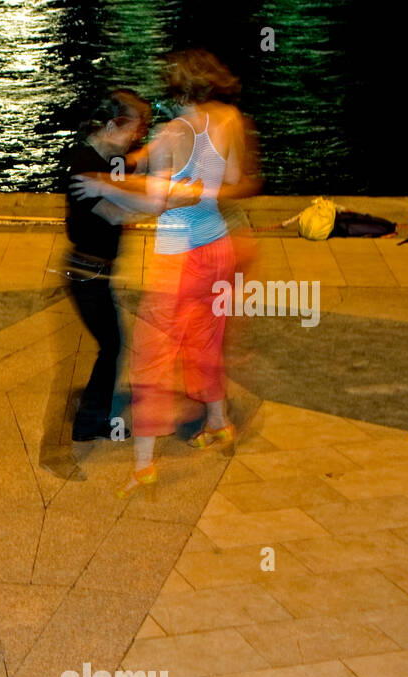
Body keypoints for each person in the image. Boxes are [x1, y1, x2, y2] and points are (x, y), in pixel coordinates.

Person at [71, 51, 259, 497]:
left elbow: (155, 202)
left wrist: (106, 184)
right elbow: (230, 180)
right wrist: (146, 167)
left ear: (176, 91)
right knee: (205, 338)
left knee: (152, 360)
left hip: (181, 258)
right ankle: (219, 423)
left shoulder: (174, 132)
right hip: (220, 248)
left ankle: (143, 466)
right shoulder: (229, 119)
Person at [61, 90, 150, 442]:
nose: (136, 137)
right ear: (113, 125)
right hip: (86, 275)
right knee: (111, 345)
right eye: (134, 129)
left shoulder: (105, 158)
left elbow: (134, 166)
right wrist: (165, 203)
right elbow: (117, 212)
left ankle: (92, 408)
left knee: (110, 344)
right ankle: (88, 423)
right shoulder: (84, 168)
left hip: (95, 272)